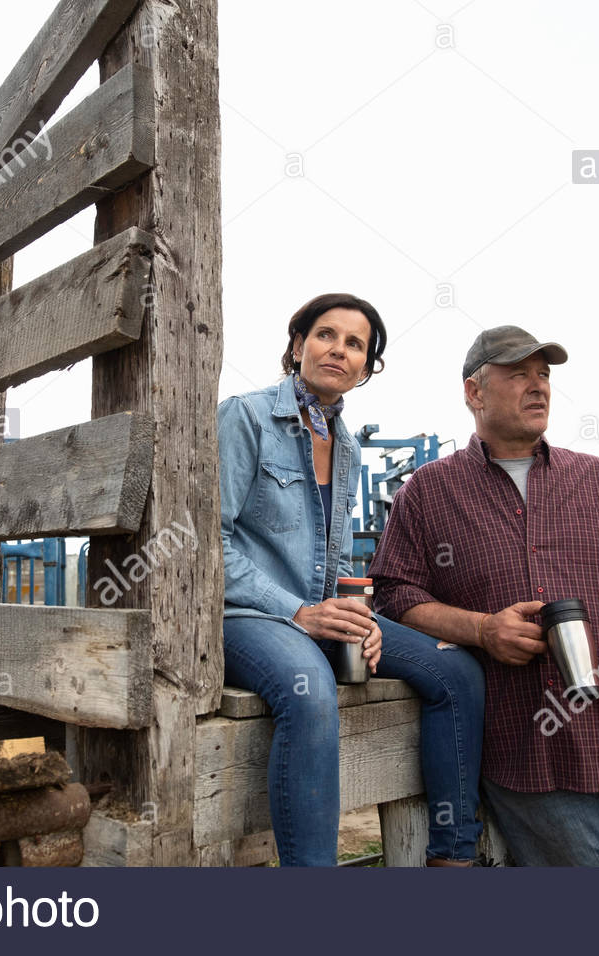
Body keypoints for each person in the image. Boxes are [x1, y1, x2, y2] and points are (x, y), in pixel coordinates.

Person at [370, 325, 599, 867]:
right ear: (474, 392)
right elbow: (395, 595)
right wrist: (482, 629)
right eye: (518, 375)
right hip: (528, 762)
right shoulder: (427, 493)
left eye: (544, 376)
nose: (538, 387)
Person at [218, 293, 486, 867]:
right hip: (246, 615)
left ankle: (453, 858)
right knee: (310, 688)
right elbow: (206, 549)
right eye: (325, 335)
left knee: (457, 671)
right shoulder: (245, 417)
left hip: (316, 616)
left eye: (354, 344)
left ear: (366, 366)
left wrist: (357, 618)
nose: (338, 350)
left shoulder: (347, 446)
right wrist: (298, 612)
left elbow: (333, 560)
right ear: (297, 345)